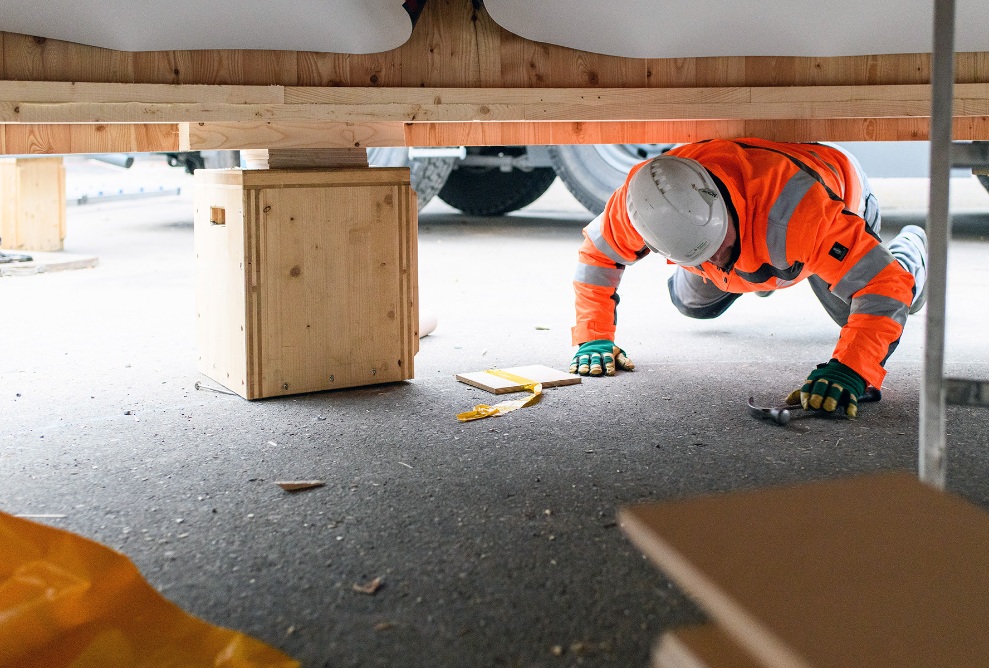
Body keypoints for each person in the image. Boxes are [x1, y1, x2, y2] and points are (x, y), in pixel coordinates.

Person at [568, 138, 928, 418]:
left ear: (719, 208)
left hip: (834, 194)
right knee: (690, 303)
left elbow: (882, 286)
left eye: (716, 248)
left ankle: (911, 248)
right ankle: (758, 276)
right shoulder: (643, 203)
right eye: (700, 257)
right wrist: (594, 338)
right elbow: (598, 255)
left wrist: (851, 369)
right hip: (766, 238)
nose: (716, 261)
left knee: (864, 311)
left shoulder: (804, 217)